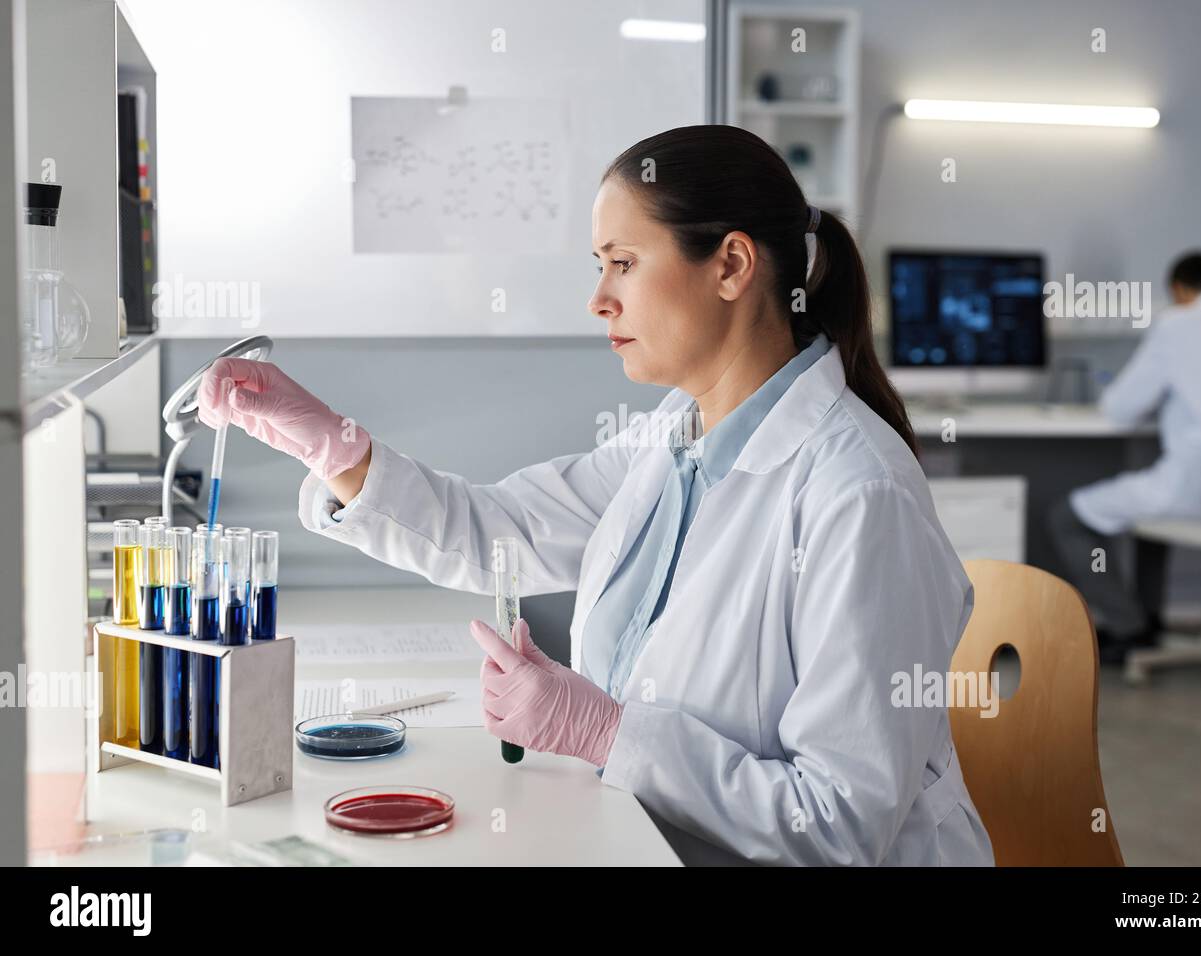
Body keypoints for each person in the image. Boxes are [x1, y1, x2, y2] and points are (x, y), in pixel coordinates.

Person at [199, 124, 994, 867]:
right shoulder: (676, 436)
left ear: (731, 265)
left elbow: (840, 823)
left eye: (624, 261)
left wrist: (608, 732)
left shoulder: (858, 494)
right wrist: (326, 442)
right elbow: (498, 531)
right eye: (598, 265)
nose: (599, 299)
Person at [1049, 252, 1201, 663]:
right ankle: (1150, 623)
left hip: (1193, 493)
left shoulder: (1176, 326)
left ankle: (1129, 628)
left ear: (1180, 291)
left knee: (1066, 516)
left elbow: (1120, 410)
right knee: (1149, 519)